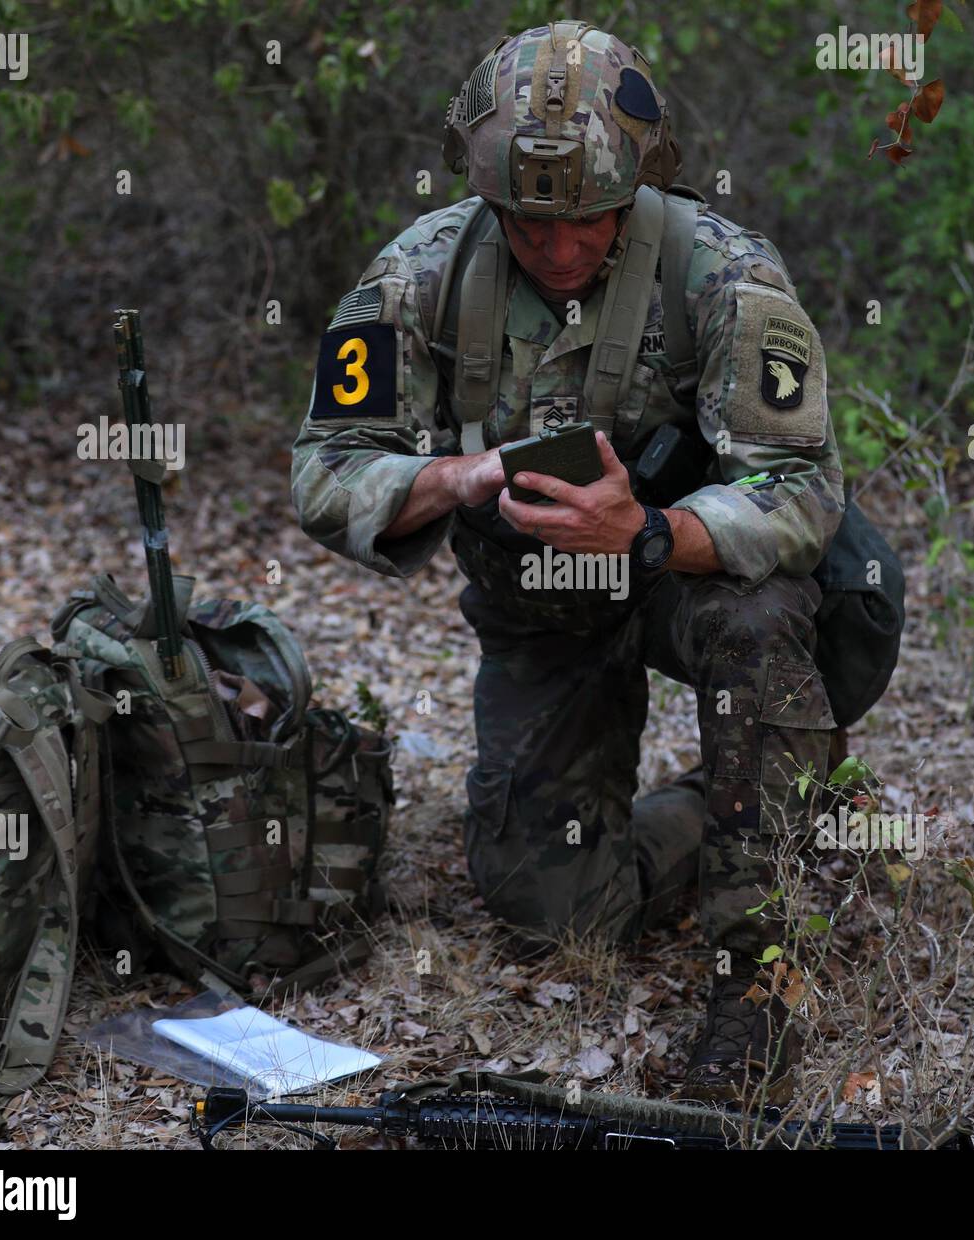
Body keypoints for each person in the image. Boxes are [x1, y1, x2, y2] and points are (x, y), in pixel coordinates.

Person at [291, 21, 846, 1101]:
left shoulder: (722, 273)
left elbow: (803, 488)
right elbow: (324, 470)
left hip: (678, 580)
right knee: (553, 910)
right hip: (541, 609)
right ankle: (730, 797)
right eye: (530, 221)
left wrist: (646, 530)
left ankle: (757, 976)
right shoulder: (420, 273)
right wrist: (454, 479)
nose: (557, 247)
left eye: (586, 218)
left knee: (762, 619)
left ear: (639, 182)